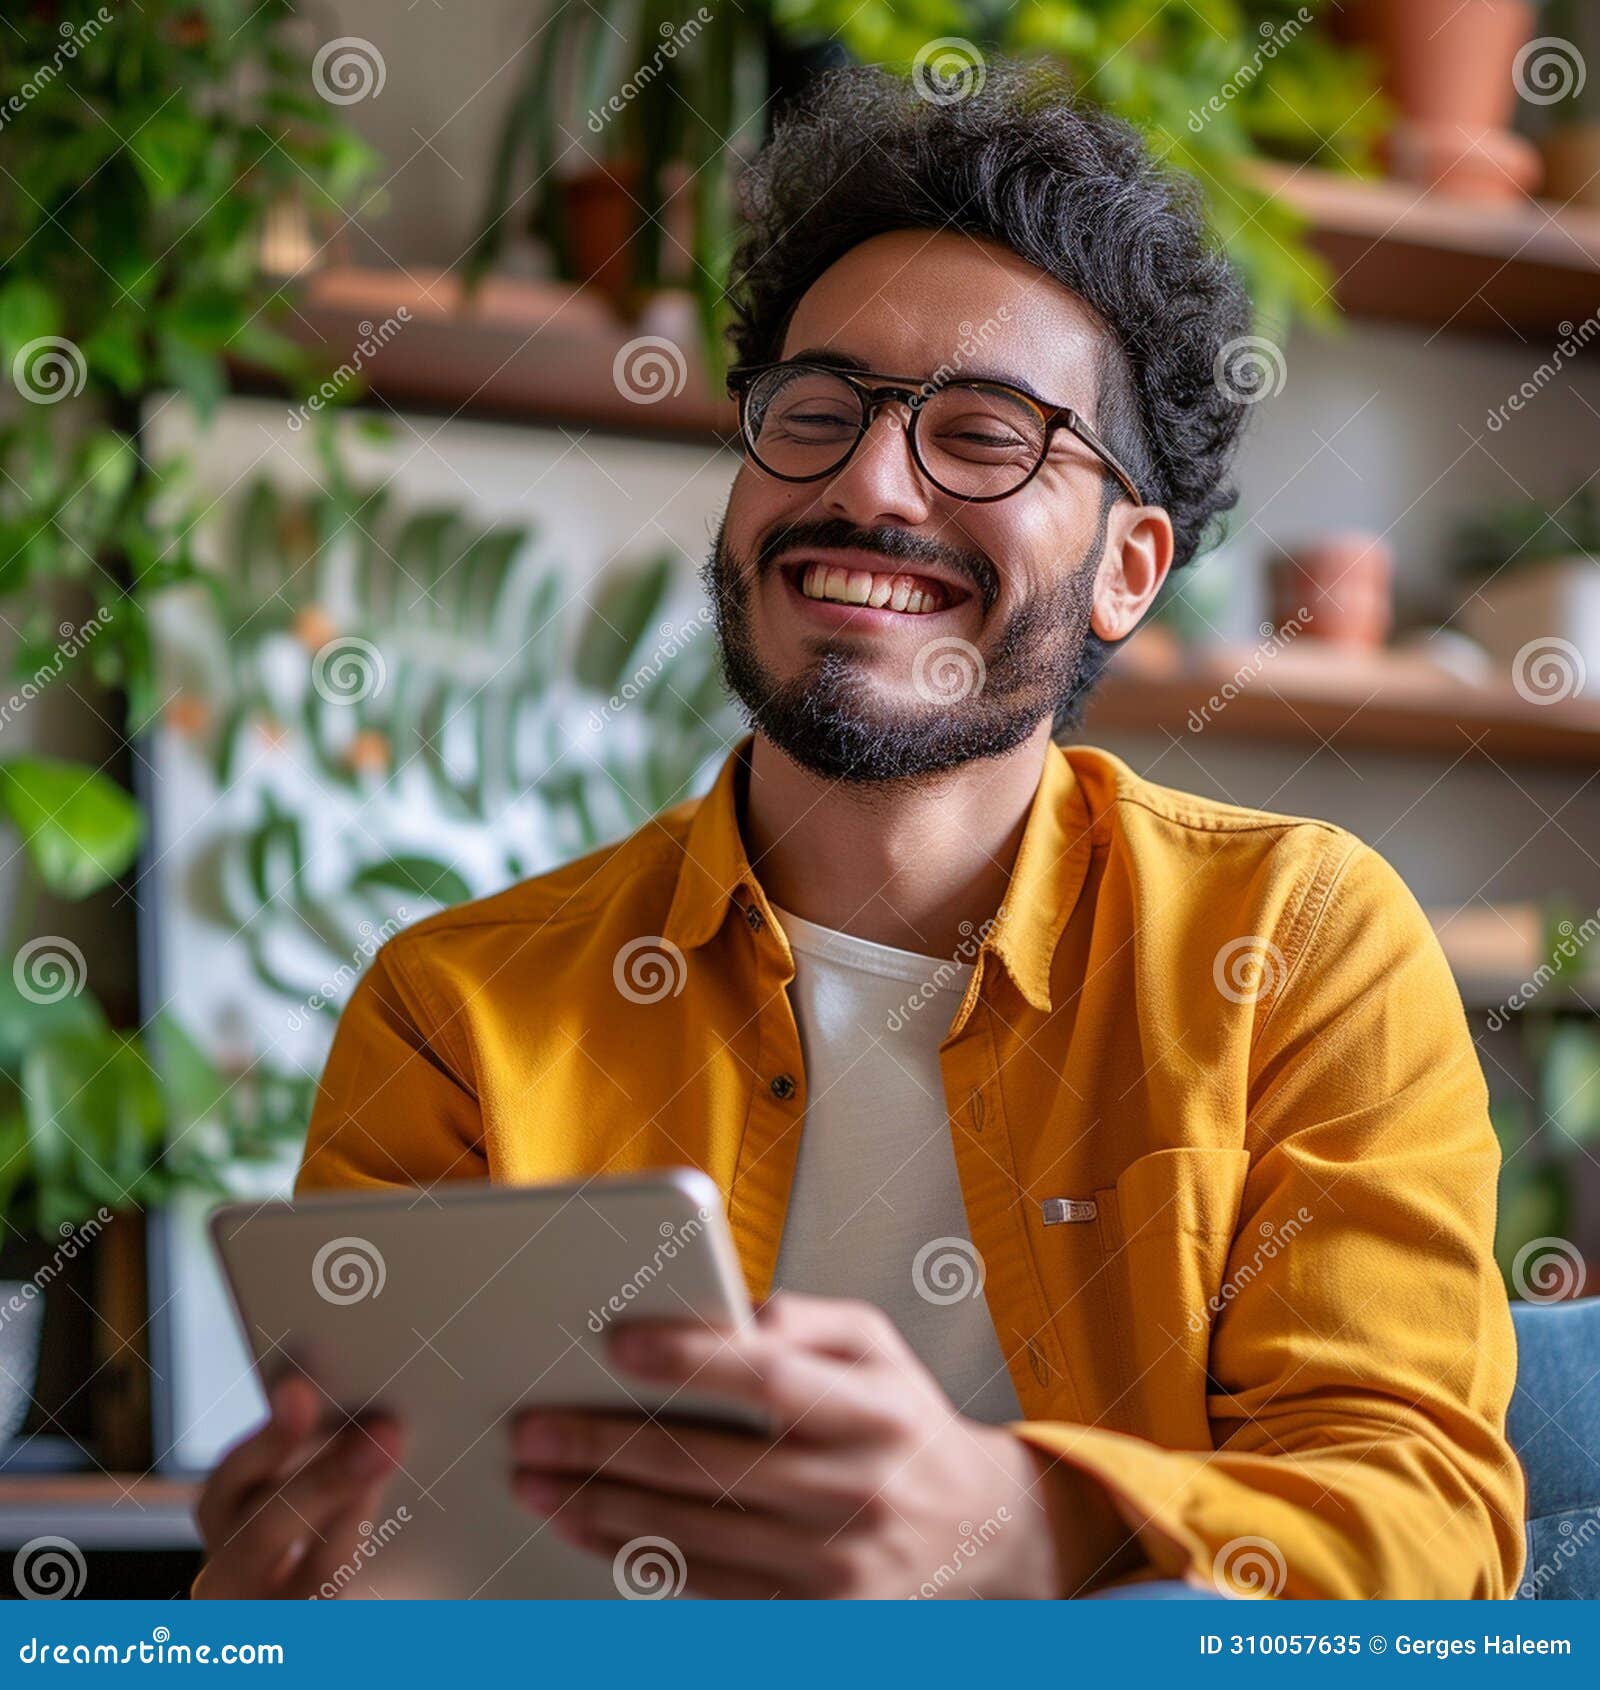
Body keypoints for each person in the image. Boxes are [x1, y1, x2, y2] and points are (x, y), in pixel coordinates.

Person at [194, 61, 1524, 1601]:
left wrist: (1020, 1522)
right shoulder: (455, 1011)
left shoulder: (1301, 946)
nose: (867, 482)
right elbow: (392, 1564)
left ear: (1128, 567)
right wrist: (289, 1608)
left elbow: (1430, 1536)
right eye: (813, 413)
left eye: (986, 434)